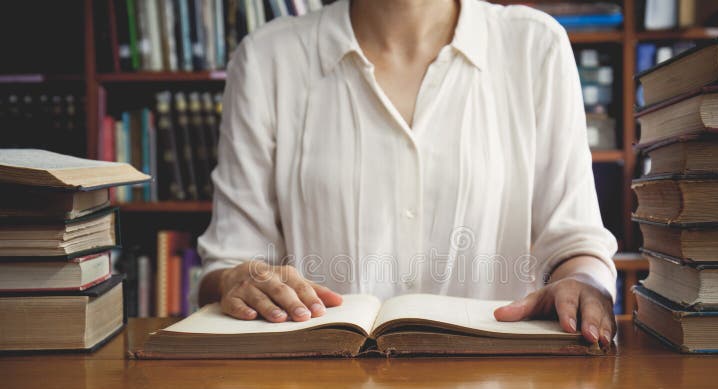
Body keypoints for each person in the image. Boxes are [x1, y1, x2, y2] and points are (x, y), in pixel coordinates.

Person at [197, 0, 618, 347]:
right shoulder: (267, 59)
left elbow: (575, 242)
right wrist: (238, 279)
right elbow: (229, 262)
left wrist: (582, 283)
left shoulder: (534, 47)